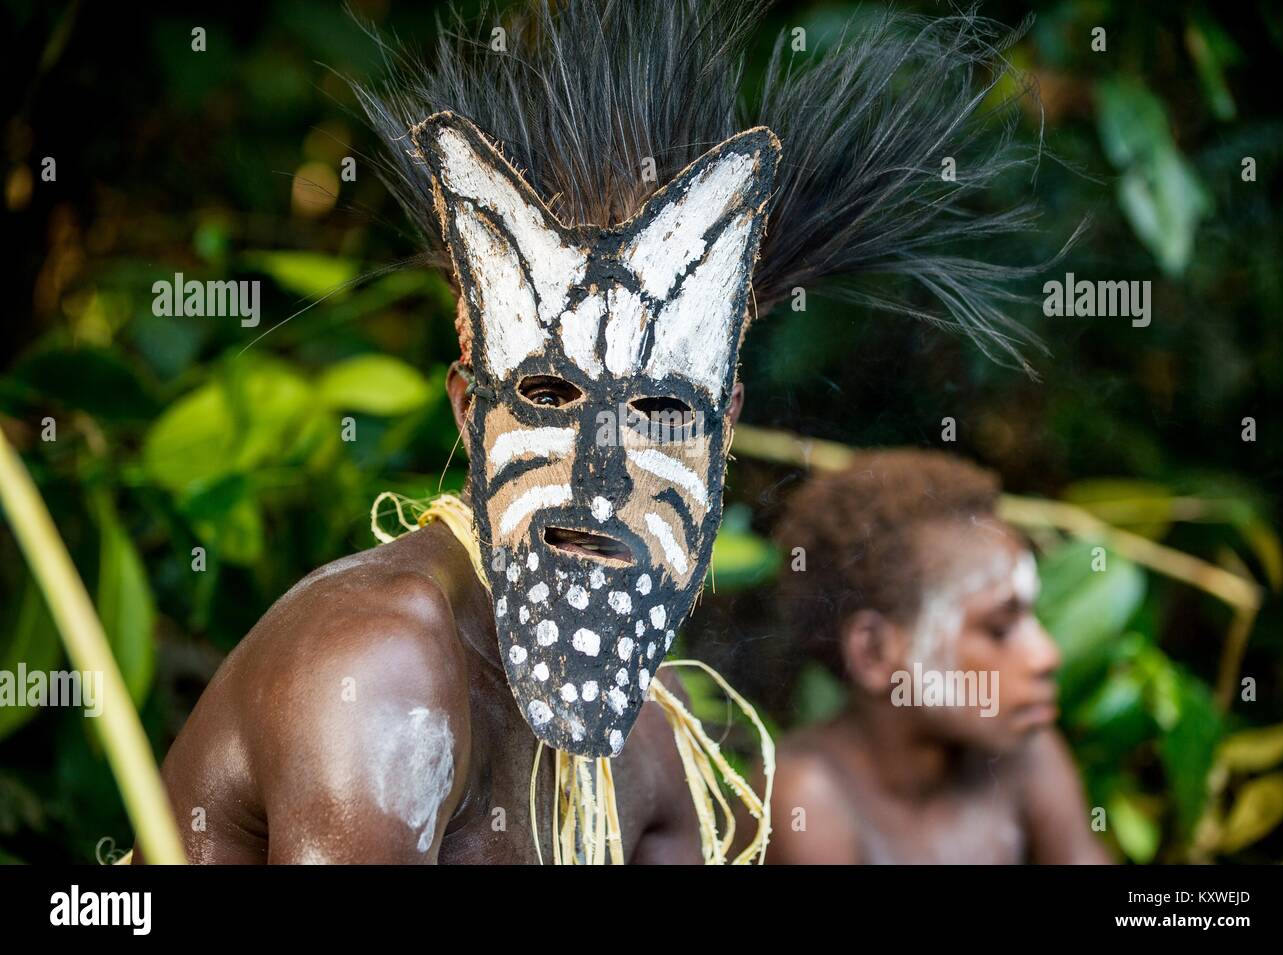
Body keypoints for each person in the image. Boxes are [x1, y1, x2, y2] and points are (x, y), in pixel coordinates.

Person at [140, 0, 1054, 864]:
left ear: (723, 429)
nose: (602, 475)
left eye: (660, 412)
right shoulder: (380, 669)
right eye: (550, 395)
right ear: (470, 407)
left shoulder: (651, 746)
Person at [767, 450, 1110, 864]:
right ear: (874, 651)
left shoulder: (1023, 754)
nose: (1046, 655)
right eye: (998, 629)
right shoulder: (809, 800)